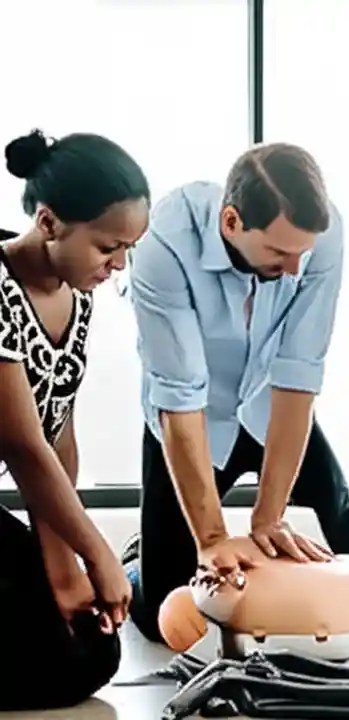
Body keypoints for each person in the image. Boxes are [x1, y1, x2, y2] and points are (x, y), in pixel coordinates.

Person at [123, 143, 349, 644]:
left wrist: (270, 515)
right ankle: (135, 559)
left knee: (346, 526)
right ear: (232, 222)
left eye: (302, 254)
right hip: (190, 421)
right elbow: (180, 395)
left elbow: (298, 372)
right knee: (161, 619)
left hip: (266, 403)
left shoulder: (319, 237)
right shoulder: (163, 244)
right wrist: (213, 538)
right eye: (279, 253)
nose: (294, 270)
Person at [0, 129, 150, 709]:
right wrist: (95, 557)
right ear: (49, 222)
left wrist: (64, 565)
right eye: (109, 246)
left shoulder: (77, 293)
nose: (119, 264)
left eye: (128, 249)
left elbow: (58, 434)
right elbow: (23, 447)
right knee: (52, 664)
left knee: (91, 652)